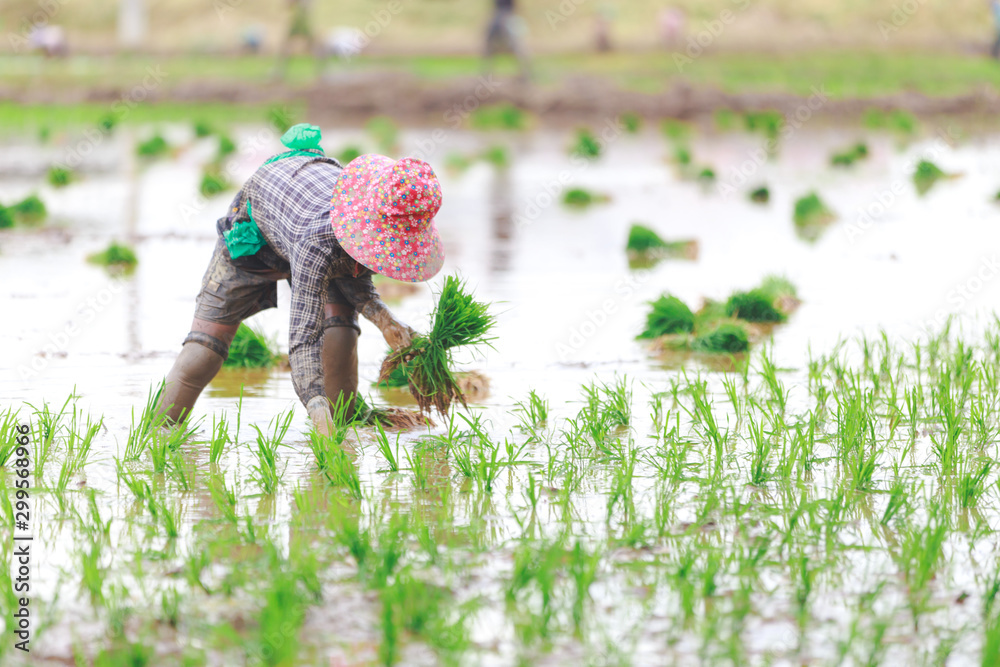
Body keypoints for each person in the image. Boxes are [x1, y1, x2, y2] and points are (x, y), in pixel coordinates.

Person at [155, 123, 445, 435]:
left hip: (305, 220)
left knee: (342, 333)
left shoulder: (371, 231)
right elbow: (303, 336)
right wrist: (315, 406)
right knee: (204, 351)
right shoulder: (318, 241)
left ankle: (345, 427)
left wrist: (386, 320)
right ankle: (156, 435)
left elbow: (353, 271)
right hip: (253, 236)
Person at [484, 0, 530, 80]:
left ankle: (525, 74)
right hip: (504, 16)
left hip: (502, 17)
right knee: (519, 47)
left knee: (489, 48)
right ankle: (525, 74)